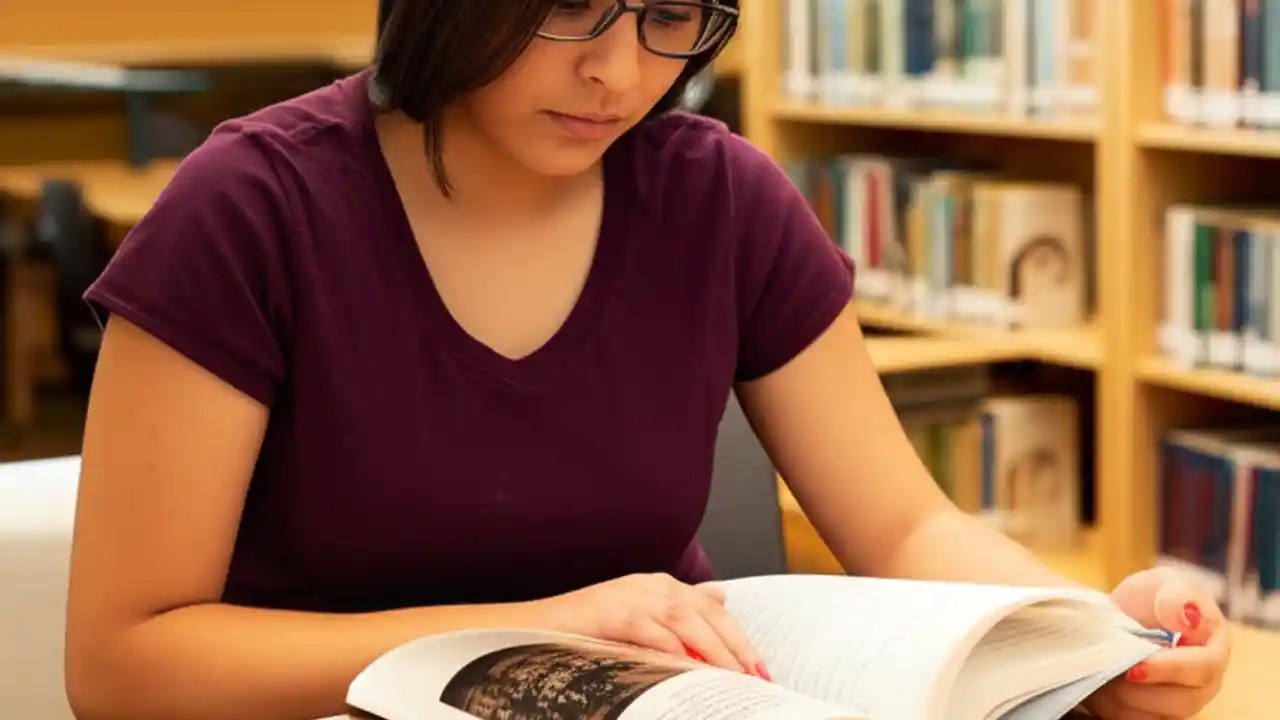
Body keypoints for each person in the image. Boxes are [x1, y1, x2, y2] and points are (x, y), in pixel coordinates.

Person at [62, 2, 1230, 719]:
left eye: (670, 15)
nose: (618, 73)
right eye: (570, 6)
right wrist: (534, 624)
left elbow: (905, 527)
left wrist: (1086, 633)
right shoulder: (250, 209)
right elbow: (124, 665)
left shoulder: (721, 198)